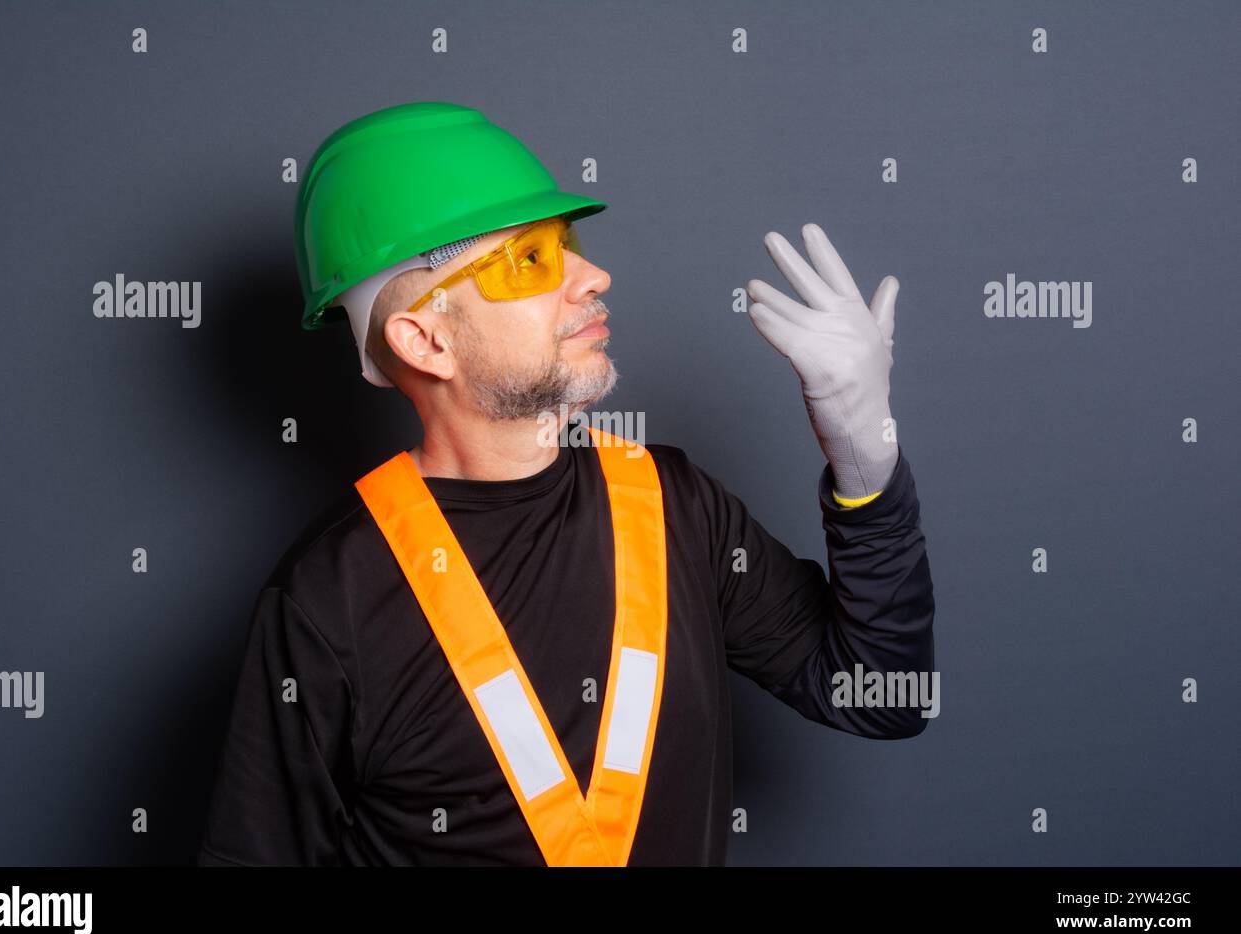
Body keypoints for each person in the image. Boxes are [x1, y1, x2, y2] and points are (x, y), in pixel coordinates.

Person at [196, 102, 935, 866]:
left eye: (567, 243)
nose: (593, 277)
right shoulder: (328, 598)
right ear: (425, 338)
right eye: (530, 260)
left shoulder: (673, 505)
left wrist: (864, 448)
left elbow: (884, 697)